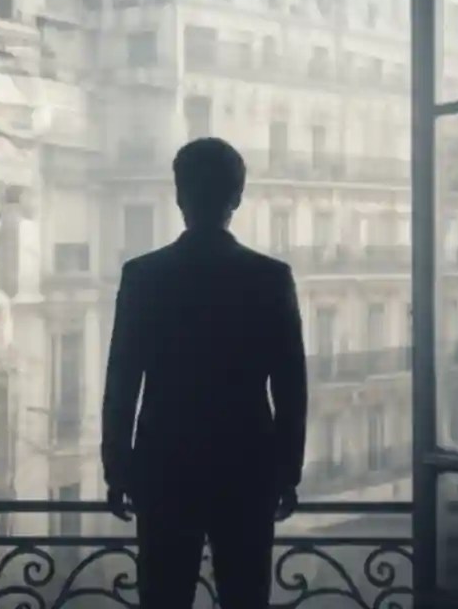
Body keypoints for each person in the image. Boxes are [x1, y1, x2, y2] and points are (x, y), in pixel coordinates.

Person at [101, 138, 308, 609]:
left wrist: (118, 466)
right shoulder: (270, 278)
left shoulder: (144, 276)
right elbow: (291, 388)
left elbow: (122, 382)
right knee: (245, 597)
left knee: (164, 597)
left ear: (179, 195)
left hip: (165, 466)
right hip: (246, 467)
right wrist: (287, 472)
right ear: (237, 197)